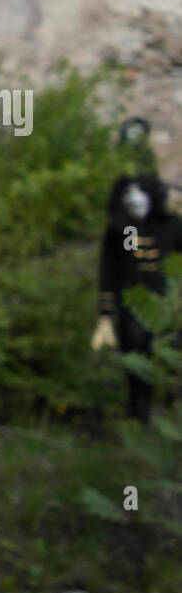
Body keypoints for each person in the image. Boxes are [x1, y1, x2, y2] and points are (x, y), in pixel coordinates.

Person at [92, 172, 182, 422]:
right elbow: (108, 274)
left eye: (138, 192)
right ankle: (138, 420)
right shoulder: (119, 230)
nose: (133, 199)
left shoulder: (173, 226)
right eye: (129, 194)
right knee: (137, 369)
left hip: (170, 310)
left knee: (172, 366)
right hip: (134, 310)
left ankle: (173, 423)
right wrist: (105, 316)